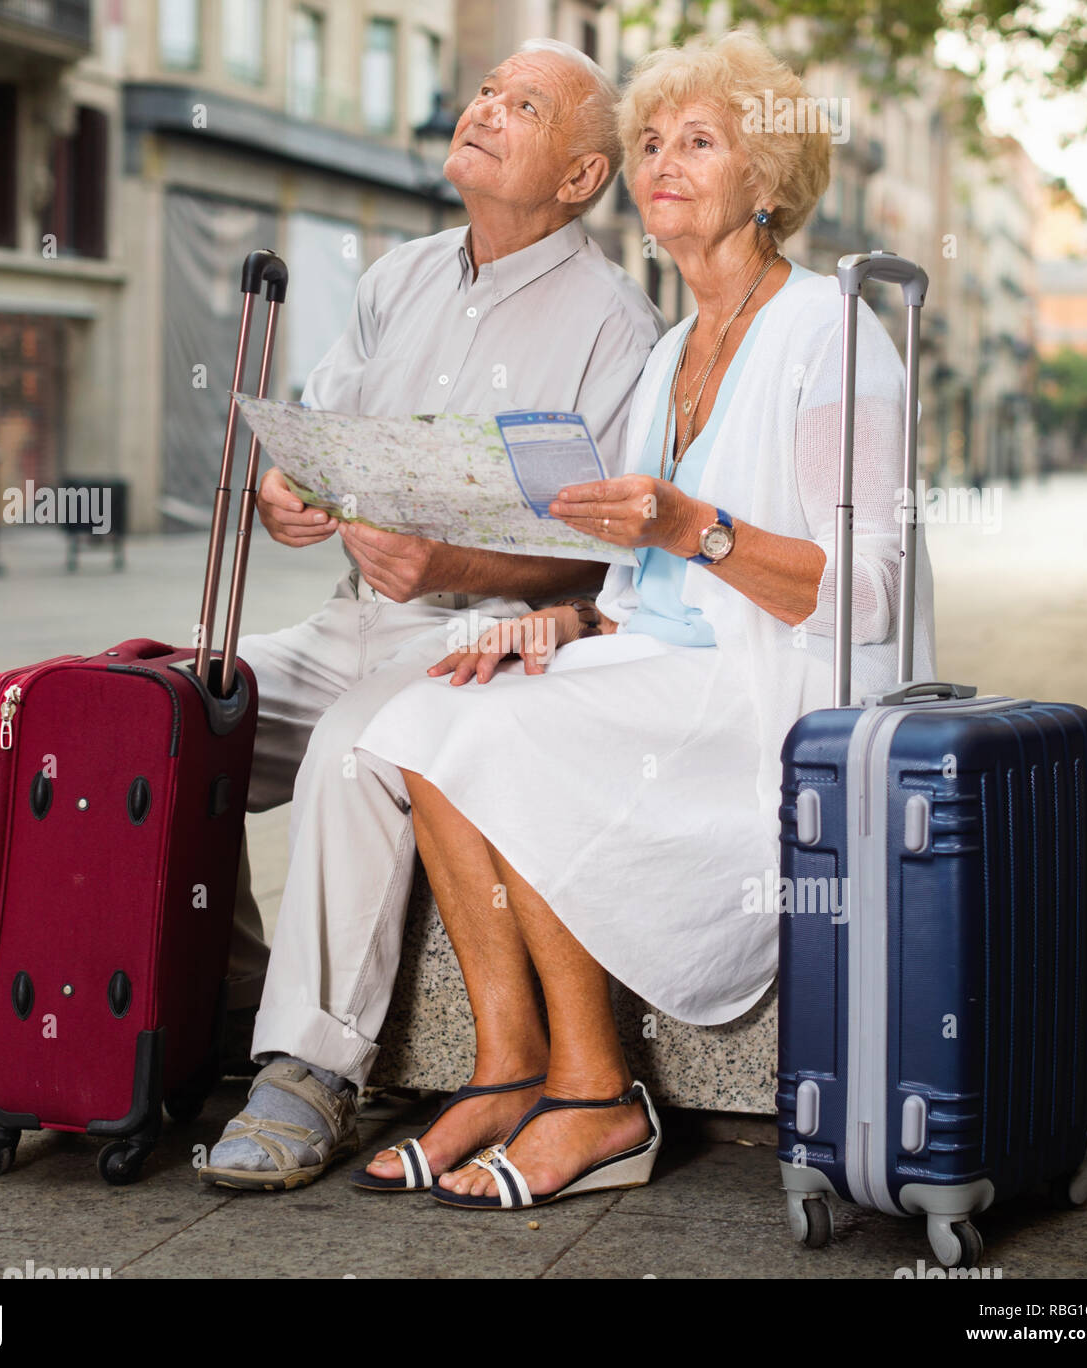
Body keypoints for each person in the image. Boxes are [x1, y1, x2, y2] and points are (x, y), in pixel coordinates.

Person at [350, 30, 936, 1208]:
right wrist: (566, 627)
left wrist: (694, 528)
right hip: (673, 666)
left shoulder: (834, 332)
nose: (664, 161)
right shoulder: (672, 346)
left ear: (765, 183)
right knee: (427, 713)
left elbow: (865, 591)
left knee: (516, 740)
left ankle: (601, 1098)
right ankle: (511, 1068)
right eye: (653, 141)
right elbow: (642, 595)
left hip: (784, 692)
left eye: (702, 143)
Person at [200, 39, 665, 1191]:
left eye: (523, 105)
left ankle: (306, 1070)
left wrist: (450, 560)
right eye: (485, 94)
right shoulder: (393, 278)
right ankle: (215, 994)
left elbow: (605, 559)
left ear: (579, 178)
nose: (484, 111)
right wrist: (285, 495)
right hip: (345, 613)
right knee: (165, 718)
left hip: (478, 641)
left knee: (353, 759)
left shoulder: (619, 327)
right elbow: (316, 440)